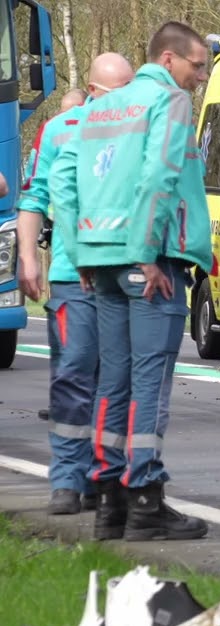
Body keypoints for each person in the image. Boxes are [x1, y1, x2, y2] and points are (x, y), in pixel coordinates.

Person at [49, 21, 213, 542]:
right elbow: (158, 177)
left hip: (99, 259)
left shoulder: (99, 107)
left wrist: (78, 251)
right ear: (168, 59)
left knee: (112, 383)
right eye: (197, 66)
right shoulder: (169, 101)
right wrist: (145, 255)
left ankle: (109, 501)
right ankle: (145, 498)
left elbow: (65, 183)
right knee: (148, 383)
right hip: (150, 261)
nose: (201, 77)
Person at [16, 54, 135, 516]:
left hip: (120, 272)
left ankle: (103, 478)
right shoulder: (60, 130)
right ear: (92, 89)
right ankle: (67, 479)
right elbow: (36, 196)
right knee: (73, 376)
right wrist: (28, 257)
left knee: (114, 381)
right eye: (115, 91)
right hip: (71, 275)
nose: (123, 99)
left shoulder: (139, 127)